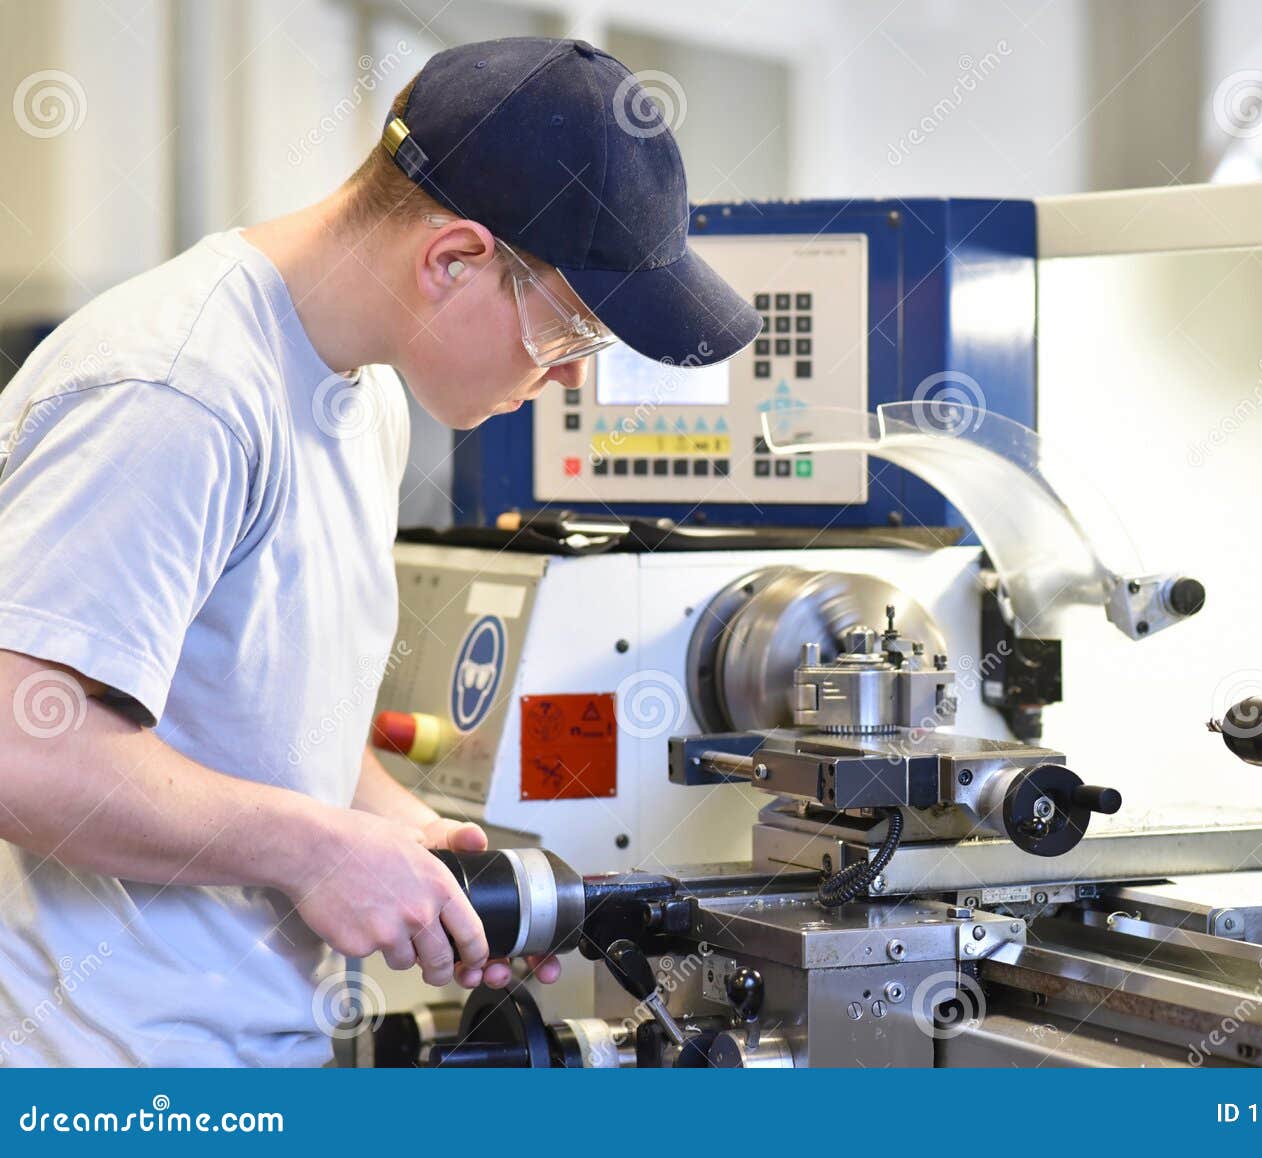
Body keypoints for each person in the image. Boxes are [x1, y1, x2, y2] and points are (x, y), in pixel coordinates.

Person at [0, 36, 758, 1066]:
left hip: (254, 1051)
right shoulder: (178, 391)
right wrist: (315, 852)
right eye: (571, 333)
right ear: (454, 259)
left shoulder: (365, 400)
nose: (570, 379)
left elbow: (252, 712)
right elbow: (25, 746)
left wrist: (402, 837)